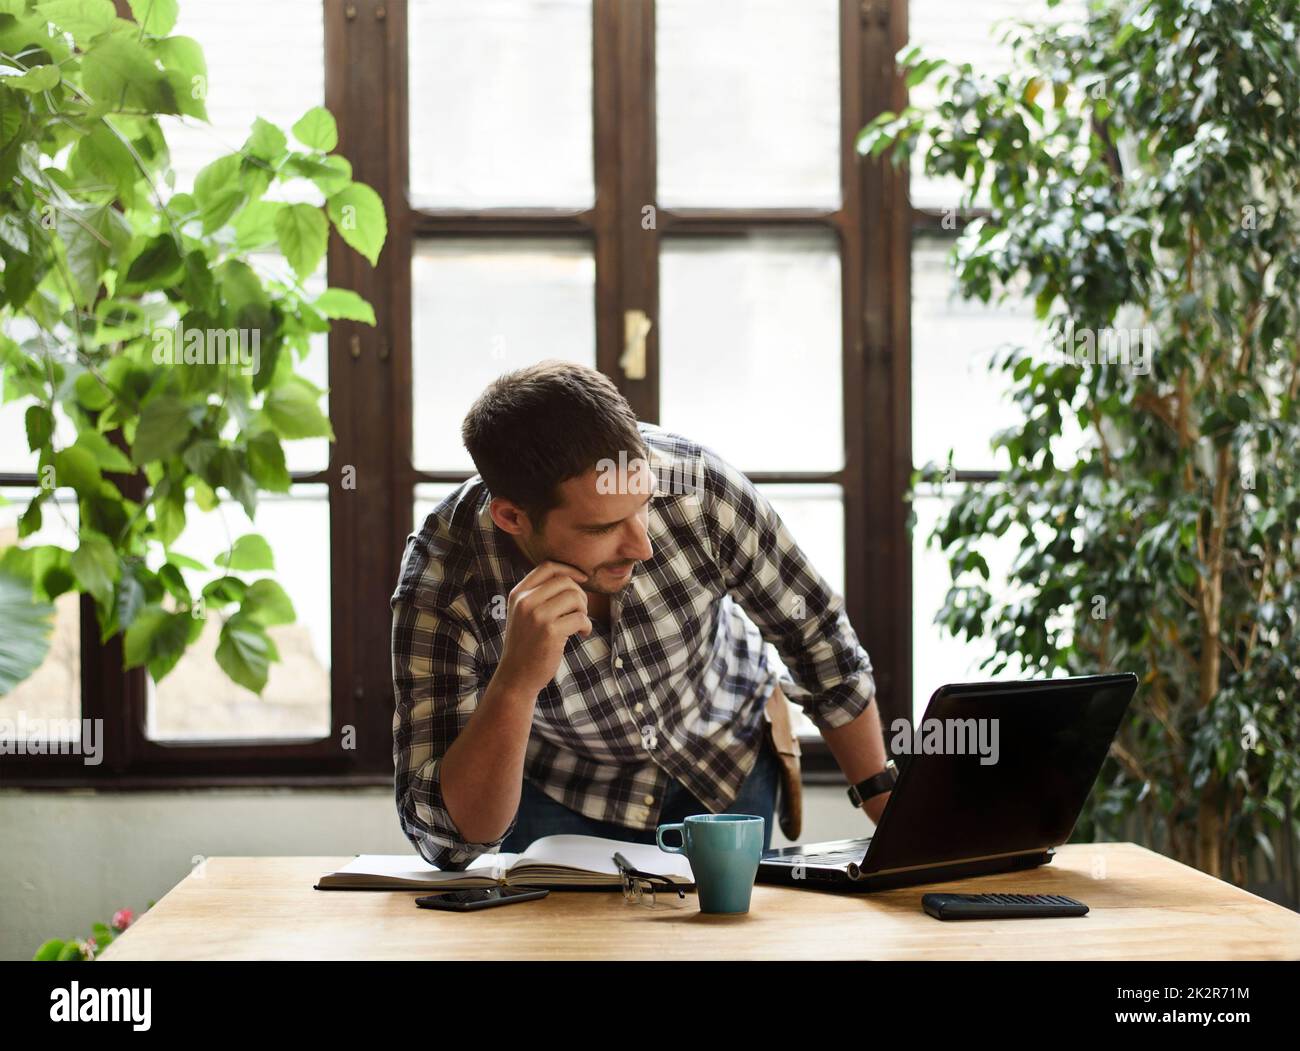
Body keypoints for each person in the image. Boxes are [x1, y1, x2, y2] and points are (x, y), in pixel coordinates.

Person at [391, 360, 891, 871]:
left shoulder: (700, 489)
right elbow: (447, 842)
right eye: (603, 528)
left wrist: (886, 809)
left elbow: (817, 640)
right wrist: (515, 683)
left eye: (644, 506)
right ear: (513, 517)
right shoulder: (445, 581)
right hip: (561, 790)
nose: (643, 546)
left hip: (722, 759)